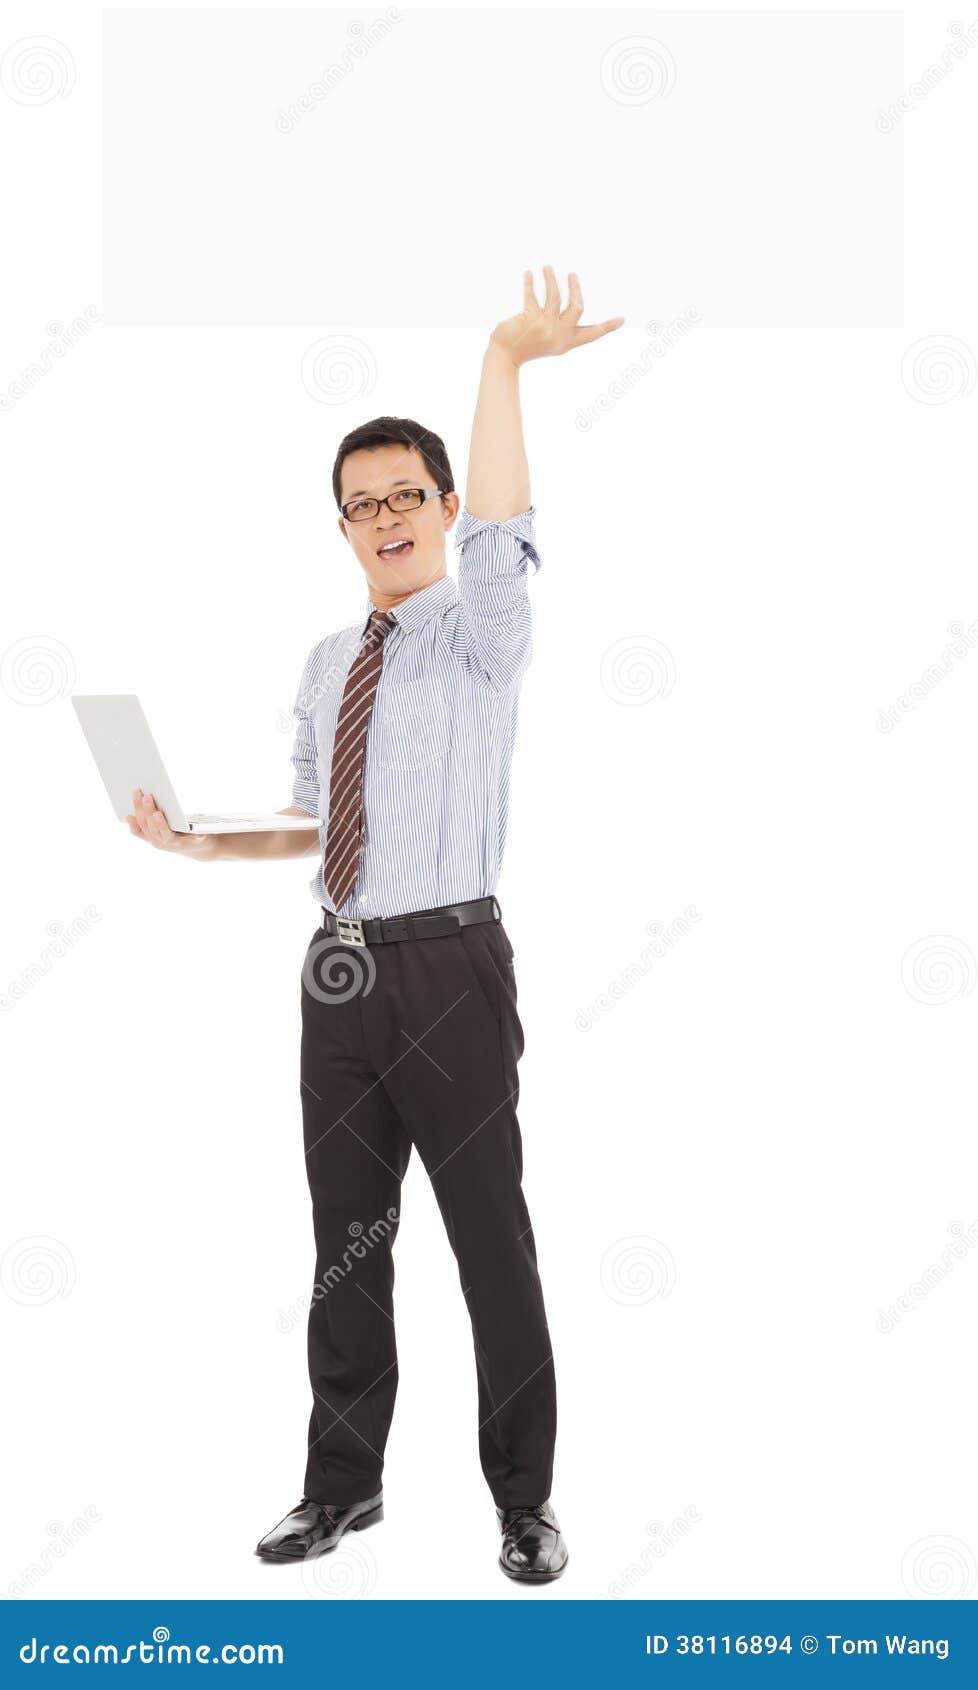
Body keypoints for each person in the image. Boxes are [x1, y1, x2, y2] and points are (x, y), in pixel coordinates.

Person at [126, 267, 624, 1583]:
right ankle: (341, 1487)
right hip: (338, 973)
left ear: (444, 508)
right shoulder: (322, 662)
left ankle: (524, 1500)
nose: (386, 517)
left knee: (487, 1243)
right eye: (362, 505)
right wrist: (193, 838)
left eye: (409, 495)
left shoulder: (479, 633)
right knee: (345, 1241)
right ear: (341, 529)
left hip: (451, 963)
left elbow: (508, 529)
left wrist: (504, 364)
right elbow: (309, 820)